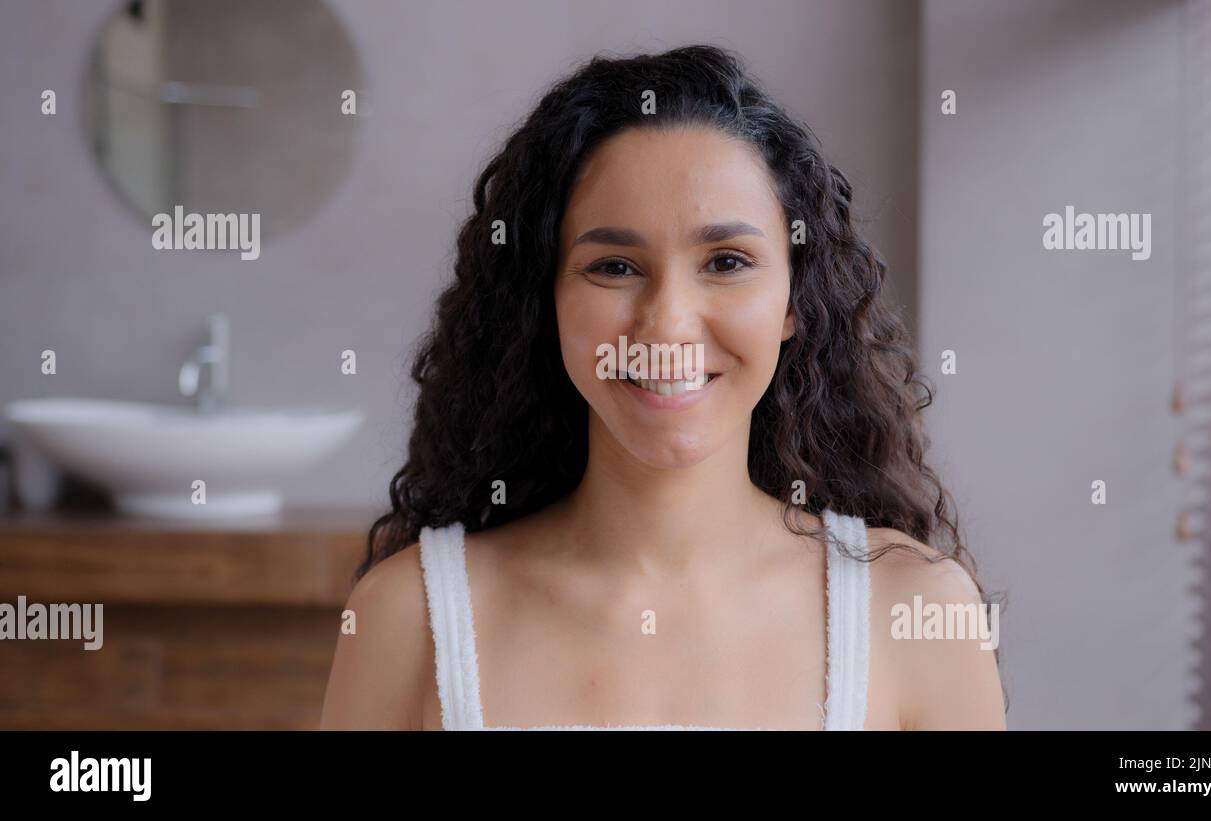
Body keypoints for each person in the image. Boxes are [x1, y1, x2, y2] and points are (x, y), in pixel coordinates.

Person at [321, 44, 1006, 731]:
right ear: (544, 298)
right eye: (615, 265)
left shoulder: (919, 613)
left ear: (796, 299)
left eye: (727, 261)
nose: (668, 326)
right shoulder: (408, 617)